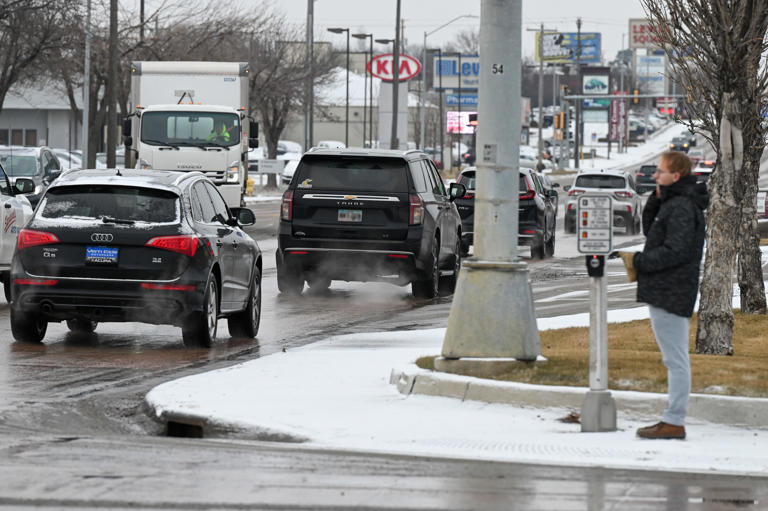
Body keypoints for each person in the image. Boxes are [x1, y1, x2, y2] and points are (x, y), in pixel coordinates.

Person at [618, 150, 708, 440]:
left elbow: (675, 250)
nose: (655, 175)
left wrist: (638, 262)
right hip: (667, 288)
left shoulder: (682, 206)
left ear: (676, 176)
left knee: (676, 359)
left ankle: (674, 420)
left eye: (660, 171)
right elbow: (652, 233)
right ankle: (672, 418)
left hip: (672, 289)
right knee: (674, 358)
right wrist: (656, 198)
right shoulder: (674, 203)